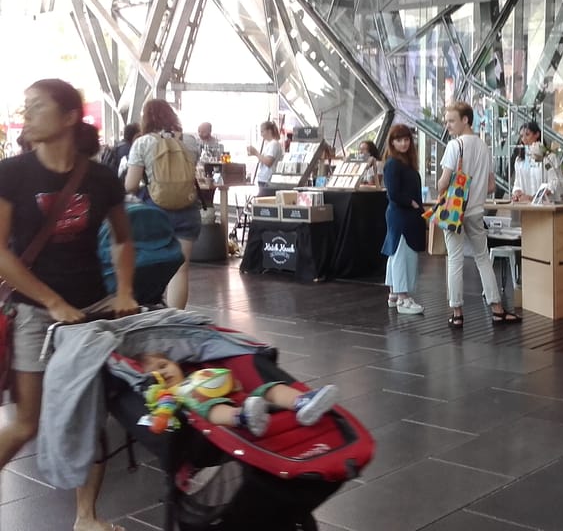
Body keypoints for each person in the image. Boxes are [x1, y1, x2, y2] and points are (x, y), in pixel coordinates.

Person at [0, 78, 140, 531]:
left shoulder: (100, 178)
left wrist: (123, 291)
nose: (27, 112)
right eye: (27, 105)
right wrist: (52, 301)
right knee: (26, 423)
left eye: (36, 106)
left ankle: (86, 517)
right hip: (33, 311)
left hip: (90, 313)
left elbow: (122, 240)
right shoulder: (13, 173)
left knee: (89, 413)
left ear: (68, 117)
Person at [439, 101, 520, 328]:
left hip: (455, 212)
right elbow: (492, 186)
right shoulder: (485, 148)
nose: (448, 125)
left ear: (466, 119)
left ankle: (457, 312)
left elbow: (443, 183)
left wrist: (443, 184)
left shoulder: (455, 146)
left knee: (454, 259)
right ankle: (496, 309)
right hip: (476, 211)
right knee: (483, 258)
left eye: (452, 120)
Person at [139, 352, 338, 437]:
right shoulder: (170, 394)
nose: (164, 373)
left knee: (270, 388)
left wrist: (233, 384)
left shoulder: (198, 373)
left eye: (164, 366)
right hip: (215, 412)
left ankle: (302, 402)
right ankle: (242, 418)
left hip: (248, 400)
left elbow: (227, 382)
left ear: (176, 363)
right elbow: (164, 412)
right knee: (209, 407)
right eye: (156, 374)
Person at [125, 99, 201, 309]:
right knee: (180, 269)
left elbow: (130, 184)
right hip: (187, 208)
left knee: (149, 267)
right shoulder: (189, 141)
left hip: (154, 213)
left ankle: (148, 312)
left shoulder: (142, 143)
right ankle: (175, 317)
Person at [381, 125, 426, 315]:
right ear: (392, 142)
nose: (404, 143)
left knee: (396, 253)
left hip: (402, 214)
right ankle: (402, 297)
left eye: (406, 139)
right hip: (402, 215)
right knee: (402, 255)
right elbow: (393, 194)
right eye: (399, 140)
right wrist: (412, 203)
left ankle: (394, 294)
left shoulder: (404, 163)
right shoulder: (393, 164)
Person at [511, 121, 563, 202]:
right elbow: (517, 182)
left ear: (537, 134)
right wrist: (517, 192)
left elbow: (554, 181)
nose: (524, 139)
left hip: (546, 206)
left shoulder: (548, 159)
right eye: (521, 136)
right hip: (525, 207)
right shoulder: (519, 160)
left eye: (527, 135)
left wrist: (535, 197)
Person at [247, 120, 283, 190]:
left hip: (268, 179)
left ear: (269, 131)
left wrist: (256, 153)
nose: (261, 134)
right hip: (264, 178)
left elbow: (268, 162)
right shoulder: (269, 144)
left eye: (262, 131)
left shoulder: (274, 144)